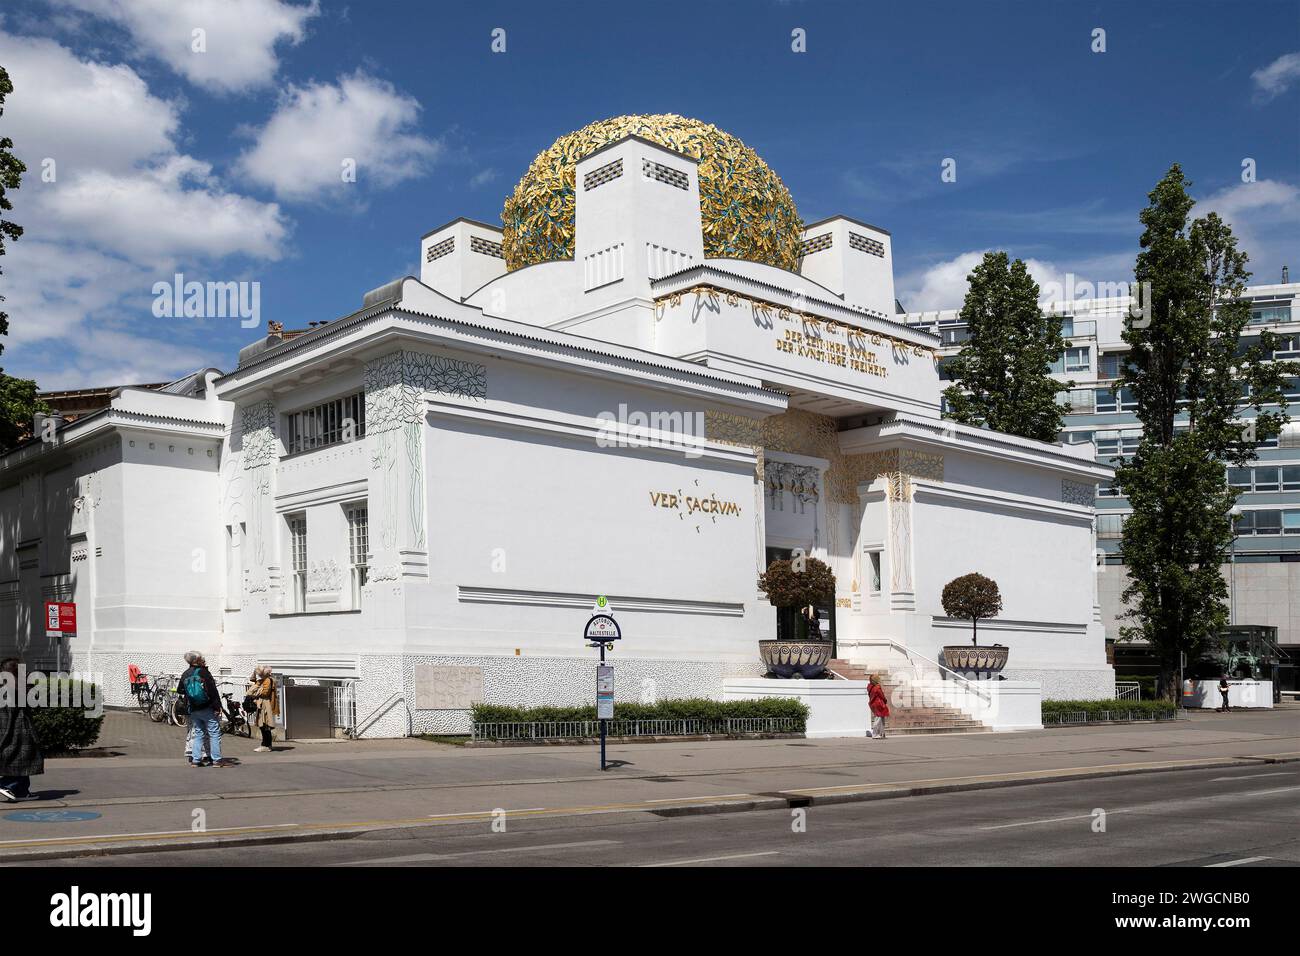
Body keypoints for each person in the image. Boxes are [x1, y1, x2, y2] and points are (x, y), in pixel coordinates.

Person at [0, 658, 43, 801]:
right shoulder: (17, 688)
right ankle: (7, 784)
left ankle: (21, 792)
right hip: (19, 732)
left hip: (12, 732)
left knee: (22, 763)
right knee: (22, 760)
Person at [179, 652, 227, 767]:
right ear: (198, 660)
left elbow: (180, 690)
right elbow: (212, 691)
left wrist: (192, 694)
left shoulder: (185, 673)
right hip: (207, 707)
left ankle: (196, 760)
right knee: (214, 733)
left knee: (198, 733)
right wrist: (217, 706)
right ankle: (217, 760)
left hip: (193, 708)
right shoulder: (203, 672)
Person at [245, 666, 279, 752]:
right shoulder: (263, 680)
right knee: (264, 725)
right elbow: (252, 680)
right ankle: (268, 745)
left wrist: (256, 691)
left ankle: (265, 745)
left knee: (264, 725)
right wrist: (254, 673)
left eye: (259, 674)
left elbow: (264, 693)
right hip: (263, 703)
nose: (258, 675)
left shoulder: (267, 680)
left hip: (265, 704)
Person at [868, 673, 890, 739]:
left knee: (880, 718)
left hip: (873, 704)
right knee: (879, 719)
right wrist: (885, 700)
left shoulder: (870, 687)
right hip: (879, 704)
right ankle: (875, 734)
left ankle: (882, 733)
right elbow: (881, 695)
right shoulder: (877, 687)